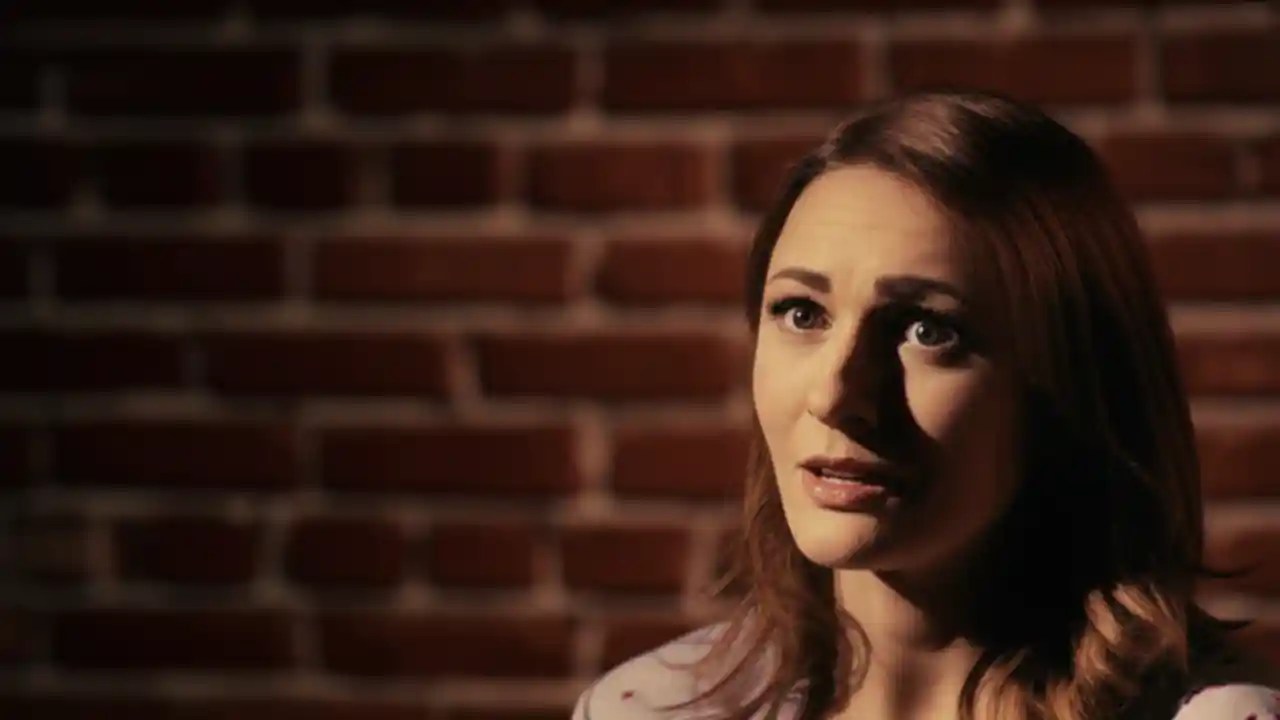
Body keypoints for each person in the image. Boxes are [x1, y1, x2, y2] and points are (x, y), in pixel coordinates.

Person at [571, 91, 1280, 719]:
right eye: (801, 313)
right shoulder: (647, 709)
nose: (837, 395)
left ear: (1069, 385)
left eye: (928, 331)